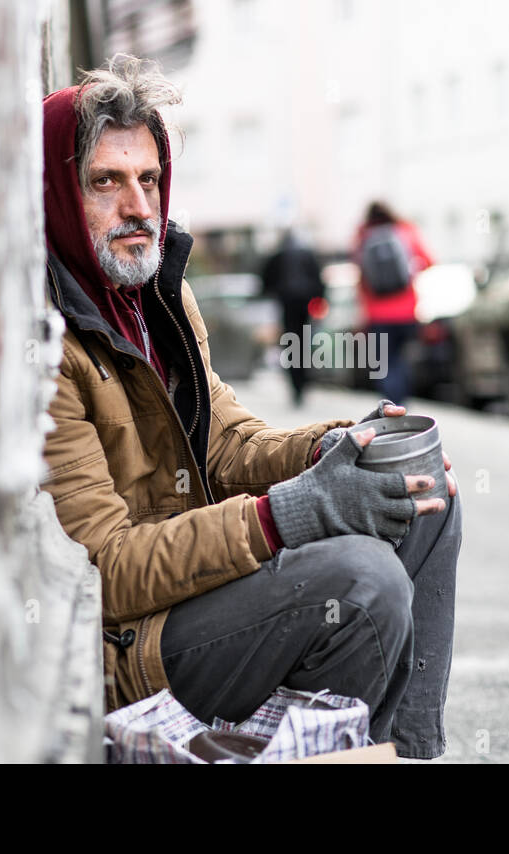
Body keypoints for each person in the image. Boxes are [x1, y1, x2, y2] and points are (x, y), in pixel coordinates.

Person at [38, 55, 463, 759]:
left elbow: (230, 444)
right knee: (363, 582)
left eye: (148, 180)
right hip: (129, 644)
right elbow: (106, 570)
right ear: (58, 194)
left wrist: (344, 445)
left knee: (423, 495)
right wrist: (288, 514)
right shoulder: (45, 342)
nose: (139, 206)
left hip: (200, 589)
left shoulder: (157, 299)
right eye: (105, 182)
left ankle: (401, 753)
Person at [352, 202, 435, 405]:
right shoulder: (405, 230)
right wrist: (410, 272)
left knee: (386, 362)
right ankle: (402, 404)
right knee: (401, 358)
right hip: (407, 311)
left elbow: (361, 278)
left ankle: (391, 405)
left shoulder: (363, 236)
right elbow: (429, 260)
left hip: (377, 314)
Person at [260, 229, 324, 407]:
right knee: (304, 343)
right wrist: (319, 300)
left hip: (287, 304)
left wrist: (274, 293)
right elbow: (319, 280)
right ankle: (303, 383)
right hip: (305, 304)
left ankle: (297, 386)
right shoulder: (307, 254)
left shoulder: (278, 255)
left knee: (290, 343)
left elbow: (265, 280)